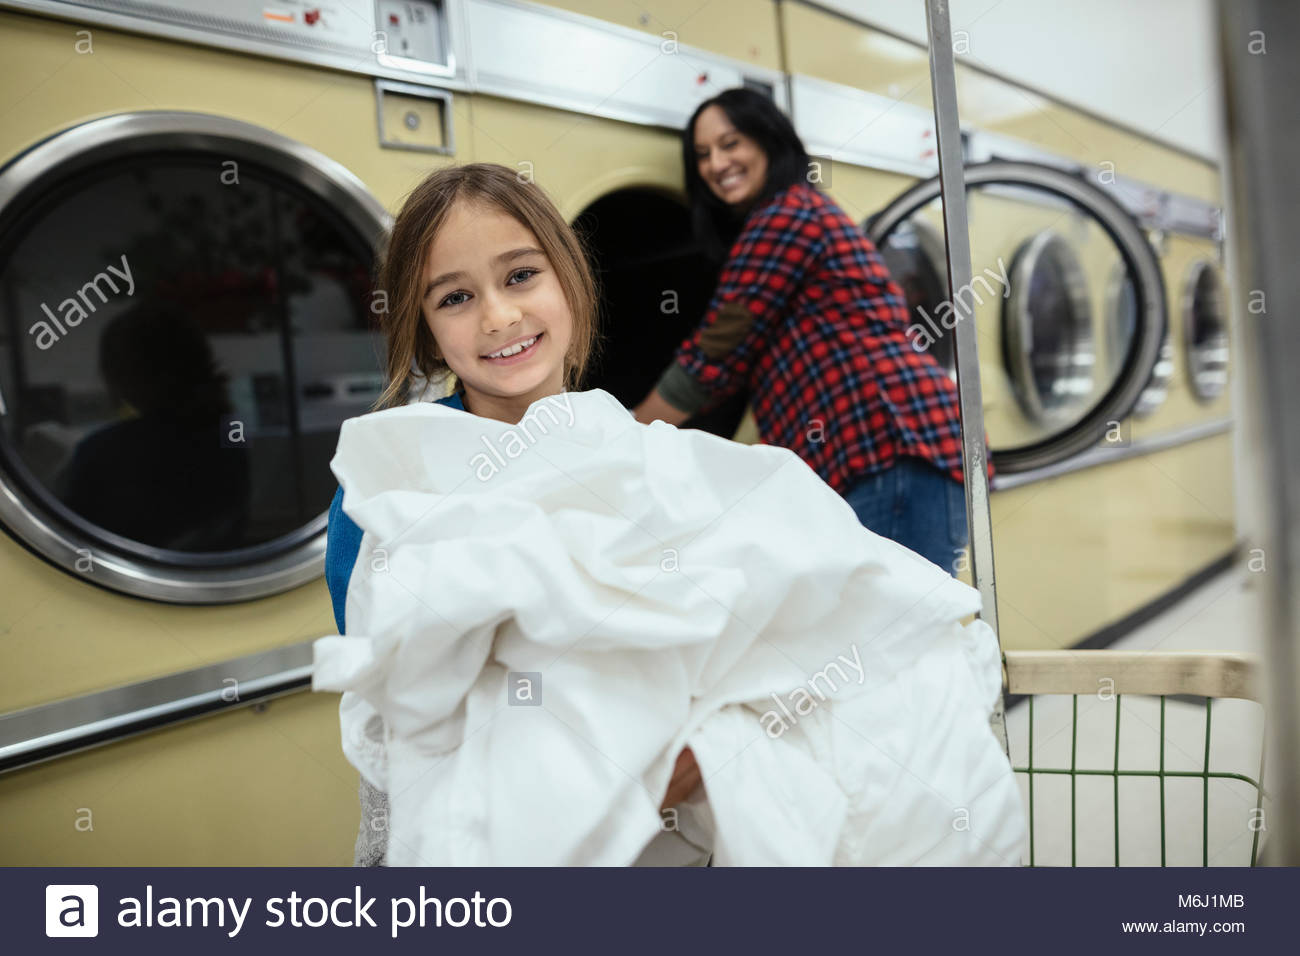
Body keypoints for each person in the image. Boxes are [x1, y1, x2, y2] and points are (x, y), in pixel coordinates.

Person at [323, 163, 709, 866]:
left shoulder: (647, 457)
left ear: (570, 280)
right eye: (456, 297)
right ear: (428, 331)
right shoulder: (389, 483)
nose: (498, 316)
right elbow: (407, 708)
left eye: (521, 275)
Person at [631, 88, 992, 576]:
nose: (716, 163)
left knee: (893, 638)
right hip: (895, 457)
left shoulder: (788, 215)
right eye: (702, 154)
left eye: (731, 143)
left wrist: (628, 433)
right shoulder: (797, 214)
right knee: (898, 637)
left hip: (893, 452)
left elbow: (718, 349)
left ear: (769, 142)